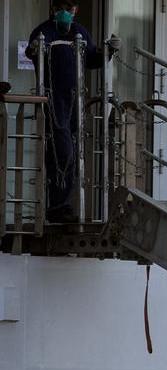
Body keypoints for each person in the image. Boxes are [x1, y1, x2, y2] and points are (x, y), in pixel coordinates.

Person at [26, 0, 109, 223]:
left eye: (70, 9)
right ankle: (57, 204)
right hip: (53, 98)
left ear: (76, 11)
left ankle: (60, 205)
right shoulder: (45, 31)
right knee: (61, 150)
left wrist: (108, 52)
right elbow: (32, 51)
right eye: (61, 9)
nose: (65, 14)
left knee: (72, 149)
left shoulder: (80, 32)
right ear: (54, 10)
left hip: (75, 99)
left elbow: (91, 59)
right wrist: (38, 48)